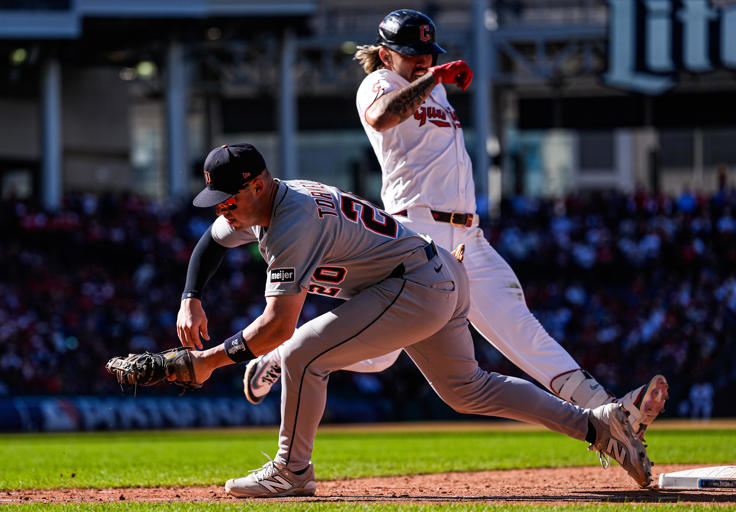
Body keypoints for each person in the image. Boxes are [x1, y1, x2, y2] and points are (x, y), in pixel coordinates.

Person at [242, 8, 668, 439]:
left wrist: (432, 83)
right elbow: (381, 117)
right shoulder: (380, 82)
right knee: (382, 356)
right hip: (418, 233)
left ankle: (610, 414)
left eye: (428, 52)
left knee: (522, 329)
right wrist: (433, 79)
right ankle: (284, 353)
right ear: (387, 54)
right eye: (413, 53)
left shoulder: (432, 90)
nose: (423, 60)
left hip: (469, 233)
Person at [161, 143, 653, 497]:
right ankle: (598, 428)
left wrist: (207, 361)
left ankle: (292, 471)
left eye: (230, 198)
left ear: (259, 184)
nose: (223, 210)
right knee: (469, 390)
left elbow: (277, 327)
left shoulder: (293, 219)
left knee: (302, 354)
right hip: (435, 273)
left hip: (413, 284)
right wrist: (190, 296)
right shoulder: (264, 204)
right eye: (218, 200)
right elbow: (211, 240)